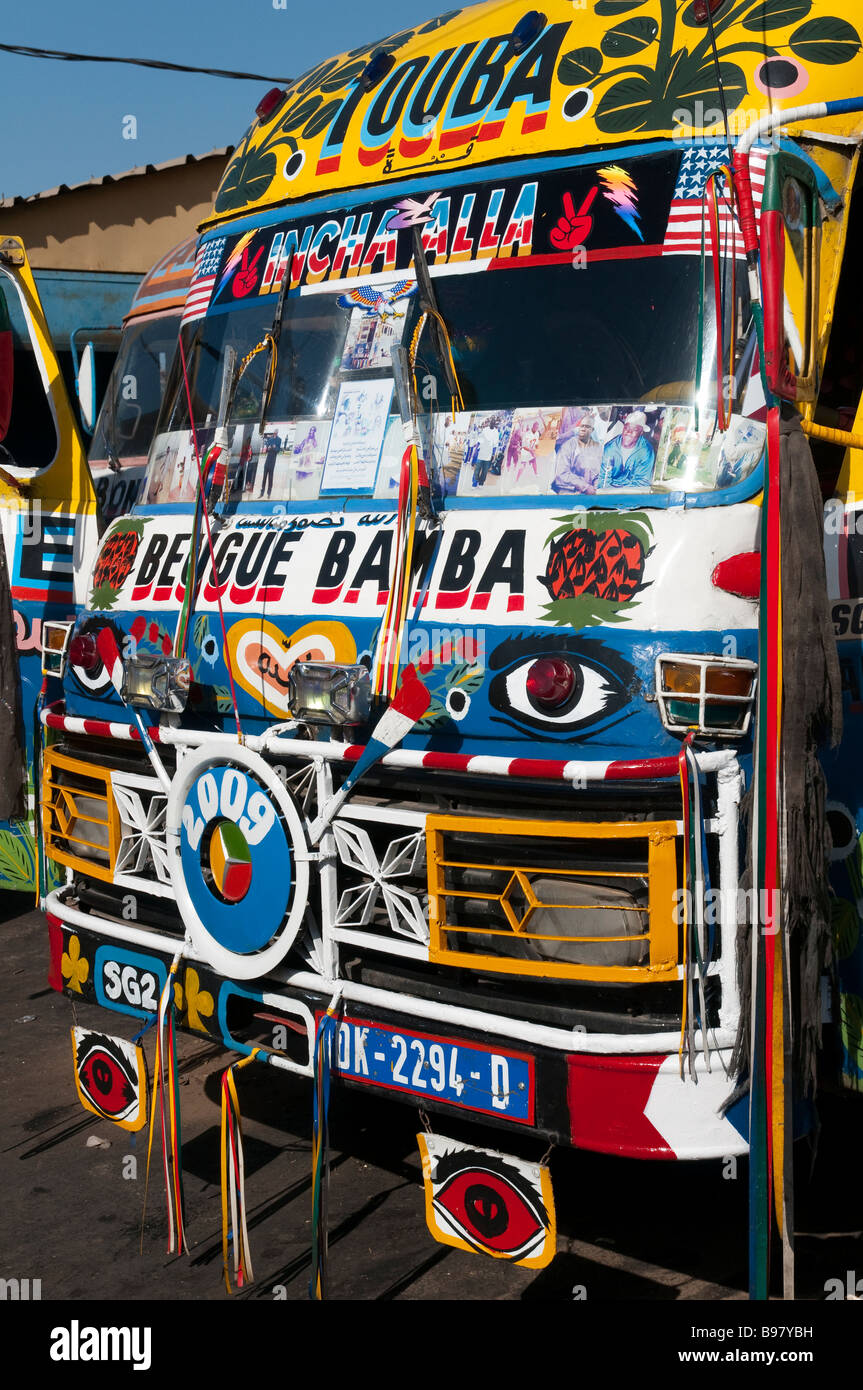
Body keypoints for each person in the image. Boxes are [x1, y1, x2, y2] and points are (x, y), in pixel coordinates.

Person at [600, 410, 656, 488]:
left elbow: (642, 482)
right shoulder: (609, 448)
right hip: (610, 489)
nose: (629, 432)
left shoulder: (646, 450)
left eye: (635, 430)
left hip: (632, 491)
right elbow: (602, 480)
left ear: (641, 433)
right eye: (627, 428)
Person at [552, 411, 602, 494]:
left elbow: (597, 473)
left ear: (592, 430)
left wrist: (596, 487)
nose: (583, 429)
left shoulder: (596, 448)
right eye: (582, 426)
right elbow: (562, 474)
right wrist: (585, 487)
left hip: (589, 492)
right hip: (568, 489)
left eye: (587, 427)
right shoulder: (567, 446)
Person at [472, 418, 500, 487]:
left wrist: (493, 454)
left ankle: (481, 483)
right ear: (489, 423)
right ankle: (474, 483)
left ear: (494, 424)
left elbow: (495, 445)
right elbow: (479, 440)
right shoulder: (485, 430)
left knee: (485, 471)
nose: (492, 424)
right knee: (477, 469)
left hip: (488, 454)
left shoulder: (496, 432)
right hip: (481, 452)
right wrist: (476, 451)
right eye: (491, 423)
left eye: (493, 423)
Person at [259, 430, 282, 498]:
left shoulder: (279, 439)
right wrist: (268, 448)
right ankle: (262, 493)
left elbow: (278, 450)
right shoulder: (270, 439)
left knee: (270, 478)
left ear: (277, 433)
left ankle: (269, 493)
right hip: (267, 459)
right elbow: (266, 449)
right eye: (274, 432)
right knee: (264, 477)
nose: (275, 433)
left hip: (273, 460)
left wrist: (275, 448)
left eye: (276, 432)